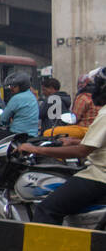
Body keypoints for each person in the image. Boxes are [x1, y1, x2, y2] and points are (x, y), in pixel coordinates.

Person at [23, 67, 106, 225]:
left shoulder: (104, 113)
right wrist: (75, 141)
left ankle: (46, 250)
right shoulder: (67, 98)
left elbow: (81, 151)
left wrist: (37, 149)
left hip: (99, 176)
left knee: (46, 209)